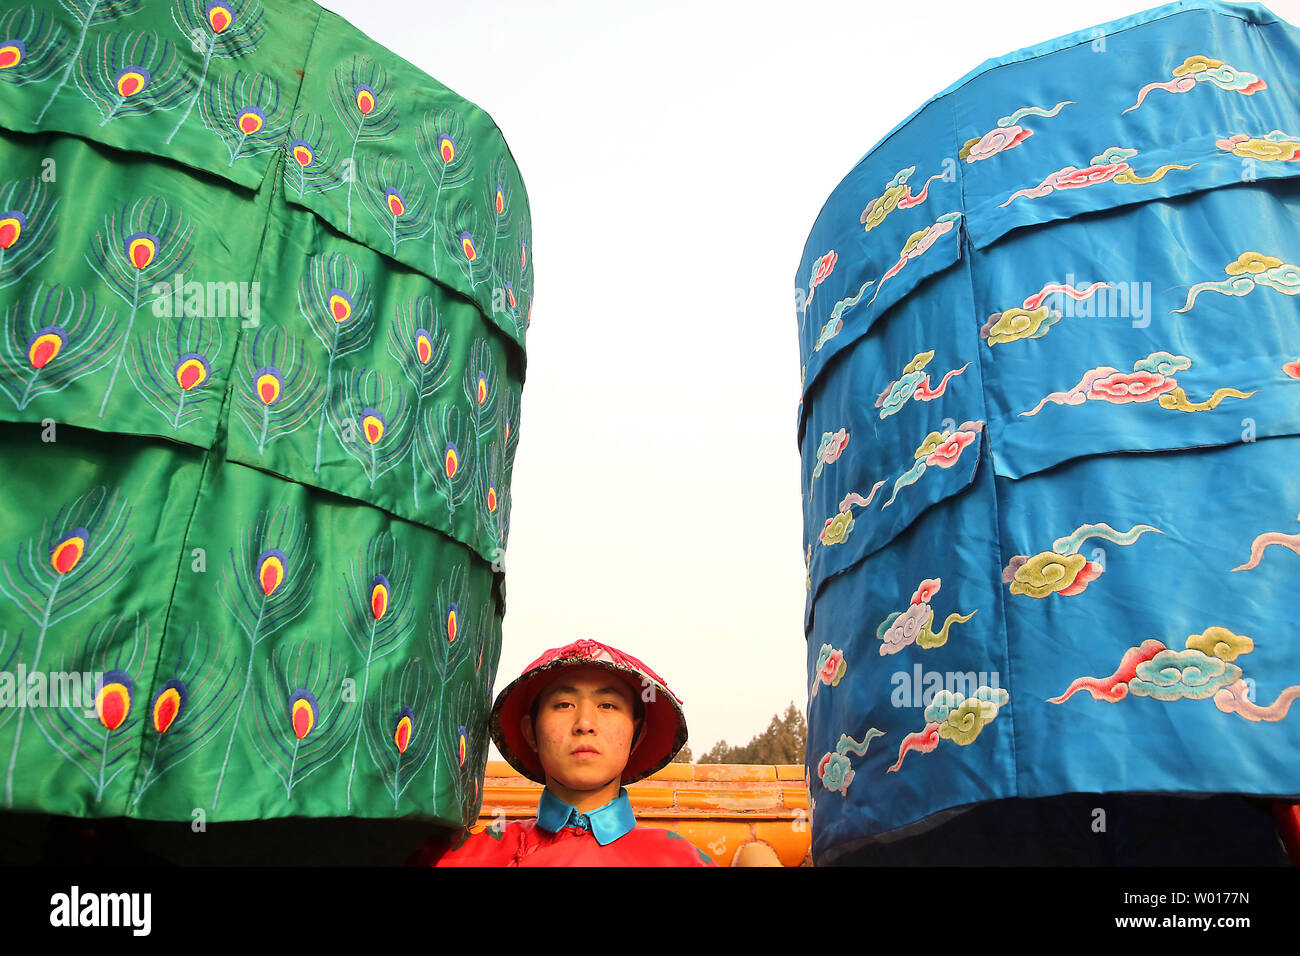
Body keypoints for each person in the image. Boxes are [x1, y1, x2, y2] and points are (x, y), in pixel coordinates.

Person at [426, 638, 715, 866]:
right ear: (531, 732)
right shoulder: (471, 856)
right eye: (564, 704)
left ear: (636, 736)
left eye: (608, 706)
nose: (585, 724)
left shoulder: (680, 859)